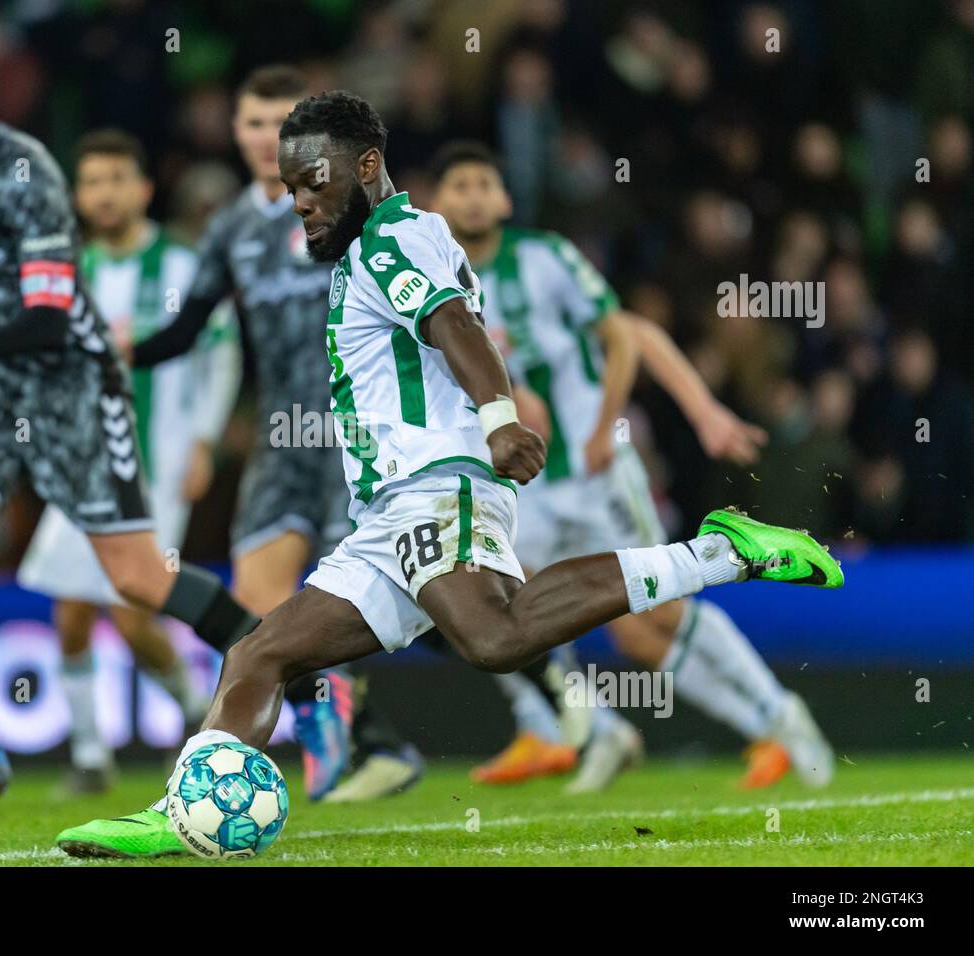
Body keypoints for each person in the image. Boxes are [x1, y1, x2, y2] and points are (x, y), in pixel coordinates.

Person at [53, 91, 843, 858]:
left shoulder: (395, 236)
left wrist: (499, 419)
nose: (300, 202)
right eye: (291, 188)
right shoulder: (373, 245)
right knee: (261, 653)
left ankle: (724, 553)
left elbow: (455, 323)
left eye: (315, 182)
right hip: (387, 512)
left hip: (441, 481)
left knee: (494, 636)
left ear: (366, 165)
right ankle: (180, 811)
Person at [0, 10, 264, 802]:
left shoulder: (29, 174)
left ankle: (275, 655)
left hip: (73, 382)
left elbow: (49, 317)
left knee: (138, 580)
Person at [429, 141, 834, 792]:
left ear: (504, 199)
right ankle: (573, 726)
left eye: (485, 183)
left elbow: (628, 333)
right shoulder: (436, 285)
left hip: (594, 475)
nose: (473, 196)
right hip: (520, 484)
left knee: (655, 622)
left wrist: (614, 422)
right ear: (436, 203)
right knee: (500, 601)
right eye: (459, 184)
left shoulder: (546, 258)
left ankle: (780, 718)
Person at [127, 65, 422, 802]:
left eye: (280, 125)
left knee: (371, 599)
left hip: (359, 434)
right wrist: (115, 352)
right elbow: (189, 328)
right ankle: (348, 732)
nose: (266, 139)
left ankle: (538, 689)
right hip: (279, 438)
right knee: (261, 608)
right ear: (234, 132)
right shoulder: (229, 227)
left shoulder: (354, 207)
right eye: (253, 124)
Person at [15, 129, 241, 794]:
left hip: (158, 463)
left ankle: (202, 717)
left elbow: (220, 352)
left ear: (144, 189)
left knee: (134, 614)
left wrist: (204, 438)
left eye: (117, 178)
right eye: (92, 182)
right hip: (84, 466)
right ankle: (90, 758)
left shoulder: (184, 264)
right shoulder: (67, 273)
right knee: (71, 613)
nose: (104, 193)